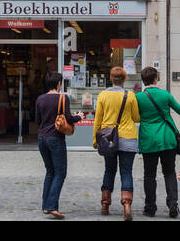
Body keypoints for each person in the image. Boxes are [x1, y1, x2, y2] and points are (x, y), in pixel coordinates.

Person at [136, 65, 180, 218]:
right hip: (167, 138)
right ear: (156, 79)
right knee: (169, 172)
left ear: (143, 81)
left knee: (149, 175)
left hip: (148, 140)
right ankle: (173, 205)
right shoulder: (165, 95)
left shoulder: (138, 97)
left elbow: (132, 116)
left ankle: (150, 208)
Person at [92, 66, 140, 219]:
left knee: (109, 170)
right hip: (128, 137)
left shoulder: (103, 95)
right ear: (124, 79)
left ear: (111, 78)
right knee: (126, 171)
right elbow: (136, 117)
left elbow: (97, 120)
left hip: (108, 139)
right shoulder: (130, 95)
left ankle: (105, 204)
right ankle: (126, 204)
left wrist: (95, 140)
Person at [33, 71, 82, 218]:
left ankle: (46, 206)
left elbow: (38, 120)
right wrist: (79, 117)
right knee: (60, 172)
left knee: (50, 171)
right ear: (58, 84)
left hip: (42, 138)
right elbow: (68, 117)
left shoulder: (40, 99)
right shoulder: (63, 98)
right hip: (55, 138)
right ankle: (51, 206)